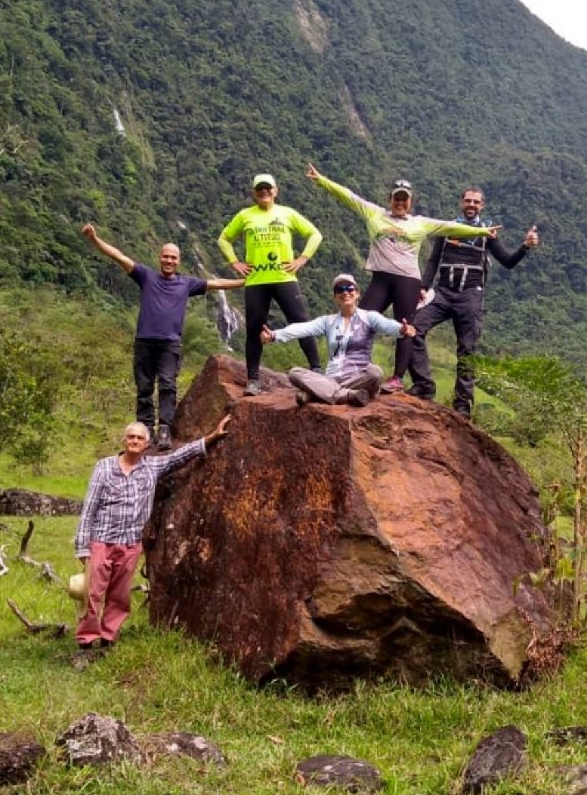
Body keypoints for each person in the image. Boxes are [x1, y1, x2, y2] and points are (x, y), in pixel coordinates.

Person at [303, 163, 494, 393]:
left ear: (410, 201)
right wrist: (321, 179)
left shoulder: (420, 222)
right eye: (397, 198)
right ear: (390, 199)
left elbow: (451, 227)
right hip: (381, 280)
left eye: (405, 199)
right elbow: (348, 197)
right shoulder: (374, 213)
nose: (400, 203)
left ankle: (397, 378)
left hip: (407, 282)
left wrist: (482, 232)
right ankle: (351, 370)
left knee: (405, 327)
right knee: (358, 319)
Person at [71, 414, 229, 663]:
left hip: (130, 543)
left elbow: (181, 456)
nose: (134, 441)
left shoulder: (151, 467)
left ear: (147, 444)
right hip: (101, 540)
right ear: (124, 440)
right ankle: (86, 643)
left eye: (139, 438)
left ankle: (109, 638)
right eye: (130, 437)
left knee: (120, 595)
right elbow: (89, 507)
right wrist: (83, 547)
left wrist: (212, 436)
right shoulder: (104, 467)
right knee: (92, 593)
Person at [79, 223, 243, 445]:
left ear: (178, 261)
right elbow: (118, 256)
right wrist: (94, 239)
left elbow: (217, 283)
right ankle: (146, 429)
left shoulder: (187, 283)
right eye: (166, 257)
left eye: (173, 258)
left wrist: (245, 282)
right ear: (160, 258)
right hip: (144, 342)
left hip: (169, 344)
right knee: (144, 387)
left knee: (168, 384)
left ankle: (165, 429)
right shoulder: (146, 276)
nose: (169, 261)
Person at [411, 186, 539, 420]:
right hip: (442, 292)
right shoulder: (447, 229)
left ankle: (463, 406)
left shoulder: (487, 233)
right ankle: (423, 384)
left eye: (476, 202)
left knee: (467, 350)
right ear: (461, 203)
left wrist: (525, 247)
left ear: (482, 206)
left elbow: (508, 261)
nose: (471, 205)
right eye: (468, 201)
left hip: (470, 295)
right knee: (412, 329)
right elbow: (433, 261)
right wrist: (423, 287)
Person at [218, 173, 323, 390]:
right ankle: (253, 380)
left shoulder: (287, 213)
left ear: (276, 191)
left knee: (301, 322)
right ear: (254, 193)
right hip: (257, 281)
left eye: (268, 188)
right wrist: (235, 262)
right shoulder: (245, 215)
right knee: (254, 328)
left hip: (284, 277)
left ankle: (317, 370)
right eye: (260, 189)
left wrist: (302, 259)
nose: (264, 192)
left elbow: (315, 234)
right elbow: (223, 239)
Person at [264, 275, 415, 406]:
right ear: (335, 297)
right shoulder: (328, 321)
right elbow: (302, 328)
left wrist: (401, 329)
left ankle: (317, 393)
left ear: (357, 294)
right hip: (332, 377)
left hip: (360, 377)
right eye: (340, 289)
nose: (345, 292)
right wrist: (275, 335)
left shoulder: (369, 317)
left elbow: (387, 325)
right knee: (295, 373)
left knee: (375, 372)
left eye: (350, 288)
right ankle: (347, 395)